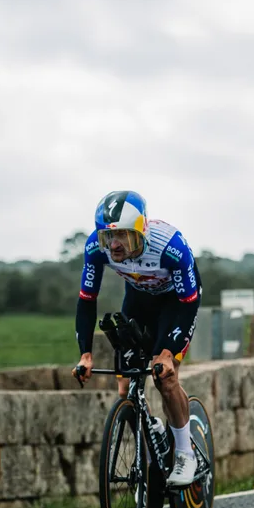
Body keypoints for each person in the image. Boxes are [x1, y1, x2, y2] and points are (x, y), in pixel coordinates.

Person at [71, 191, 203, 487]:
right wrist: (85, 354)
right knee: (124, 386)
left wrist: (168, 352)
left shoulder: (171, 247)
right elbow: (86, 300)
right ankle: (152, 426)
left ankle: (185, 453)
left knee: (165, 378)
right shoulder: (96, 246)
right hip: (139, 302)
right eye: (108, 236)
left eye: (122, 237)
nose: (114, 245)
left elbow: (188, 304)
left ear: (141, 232)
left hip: (175, 305)